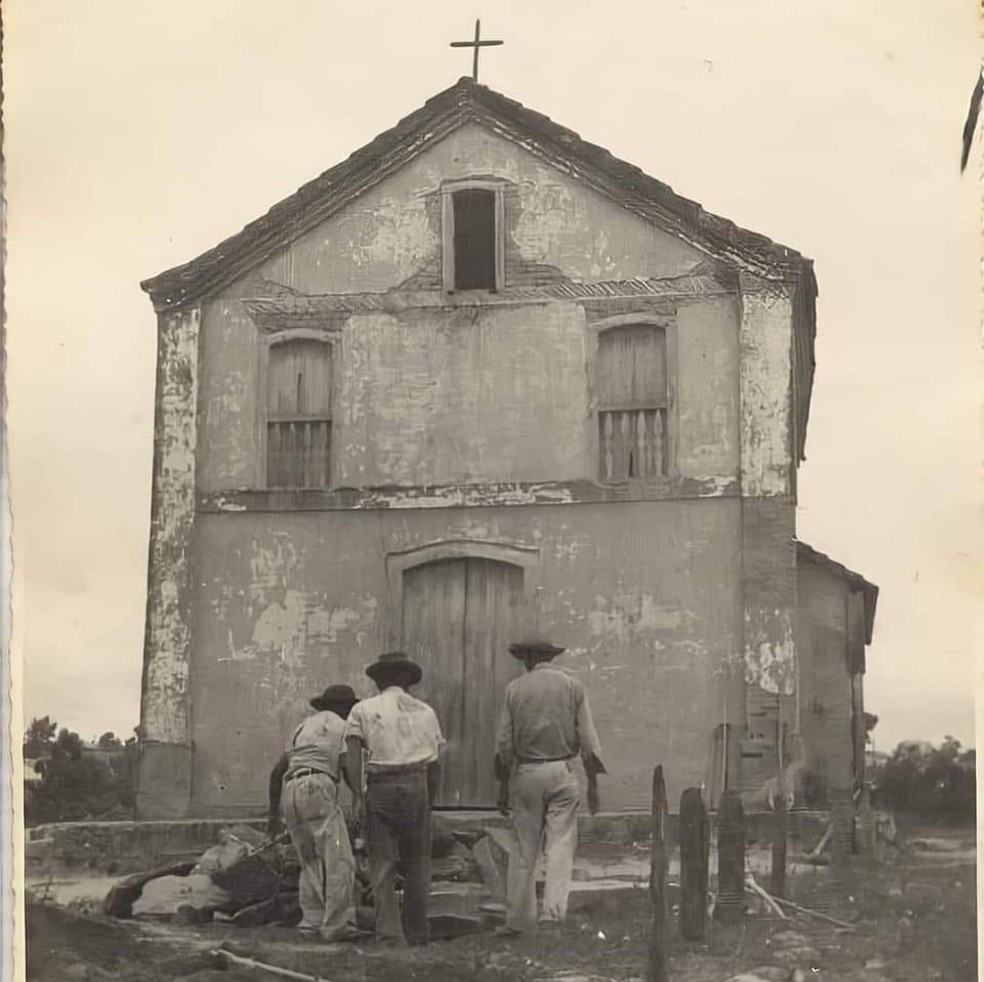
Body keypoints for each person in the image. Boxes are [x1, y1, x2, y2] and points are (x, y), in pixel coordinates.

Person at [494, 638, 607, 935]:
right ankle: (553, 913)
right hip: (562, 769)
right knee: (560, 845)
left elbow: (504, 744)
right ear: (549, 657)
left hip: (527, 772)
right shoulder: (572, 687)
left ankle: (519, 919)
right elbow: (588, 740)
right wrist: (593, 784)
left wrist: (503, 786)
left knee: (523, 848)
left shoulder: (515, 689)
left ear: (528, 658)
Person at [343, 652, 444, 946]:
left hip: (380, 784)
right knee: (419, 861)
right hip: (416, 784)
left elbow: (352, 756)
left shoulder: (362, 709)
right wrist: (430, 800)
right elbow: (436, 763)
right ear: (408, 680)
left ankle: (389, 932)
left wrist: (358, 793)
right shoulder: (426, 711)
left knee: (382, 862)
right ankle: (416, 929)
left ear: (378, 680)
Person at [273, 683, 364, 942]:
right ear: (346, 708)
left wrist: (272, 814)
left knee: (309, 860)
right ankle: (338, 925)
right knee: (339, 859)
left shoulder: (302, 728)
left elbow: (277, 771)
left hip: (290, 789)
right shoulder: (343, 727)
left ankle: (311, 922)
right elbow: (349, 768)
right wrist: (358, 796)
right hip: (317, 785)